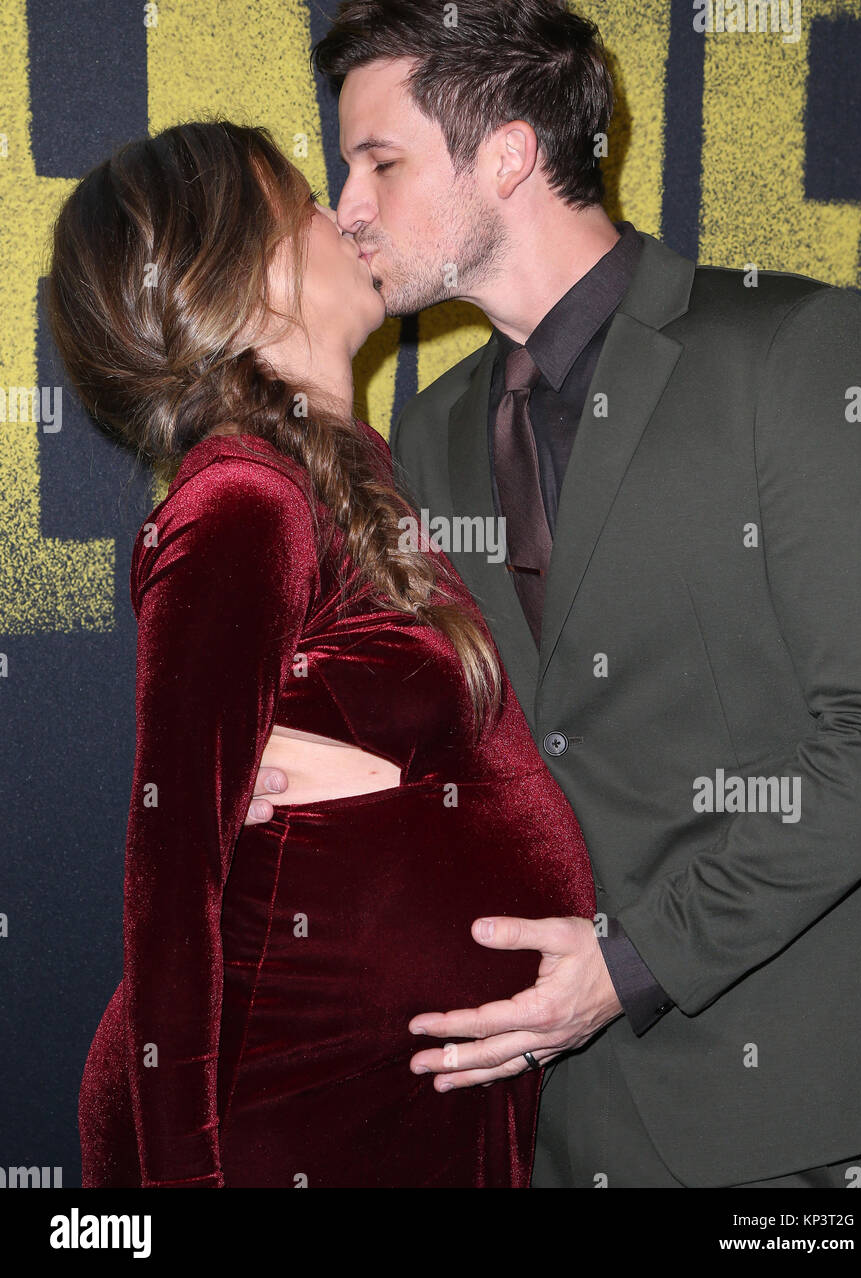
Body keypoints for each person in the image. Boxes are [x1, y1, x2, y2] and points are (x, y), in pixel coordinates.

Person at [249, 0, 861, 1188]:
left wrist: (632, 963)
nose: (347, 204)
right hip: (542, 1126)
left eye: (379, 161)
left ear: (505, 154)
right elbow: (474, 733)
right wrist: (295, 775)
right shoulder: (431, 430)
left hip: (799, 1127)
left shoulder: (792, 349)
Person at [46, 118, 597, 1188]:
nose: (345, 213)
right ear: (245, 282)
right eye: (306, 201)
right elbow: (173, 896)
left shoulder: (348, 471)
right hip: (276, 1113)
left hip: (393, 1103)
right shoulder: (241, 500)